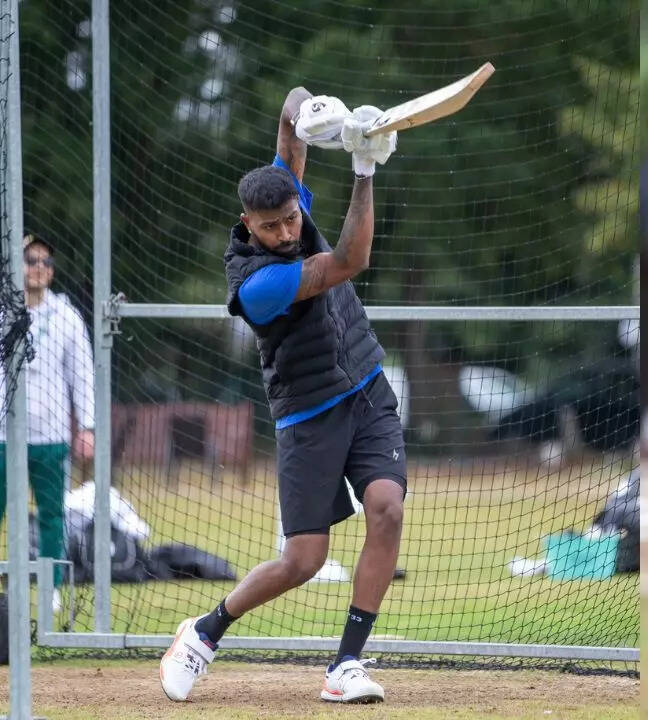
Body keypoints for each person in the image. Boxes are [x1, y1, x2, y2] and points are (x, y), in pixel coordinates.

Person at [160, 88, 403, 704]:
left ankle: (346, 664)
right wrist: (364, 167)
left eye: (293, 217)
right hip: (308, 414)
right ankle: (205, 631)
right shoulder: (259, 285)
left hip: (367, 387)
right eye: (272, 227)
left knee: (387, 508)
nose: (288, 230)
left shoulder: (286, 203)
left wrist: (323, 114)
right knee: (304, 560)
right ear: (249, 225)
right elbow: (351, 258)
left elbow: (291, 116)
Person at [0, 234, 95, 597]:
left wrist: (86, 426)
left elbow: (82, 373)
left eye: (45, 262)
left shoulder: (66, 316)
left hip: (50, 436)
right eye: (30, 260)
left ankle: (51, 587)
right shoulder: (4, 312)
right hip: (5, 434)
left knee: (52, 513)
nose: (39, 268)